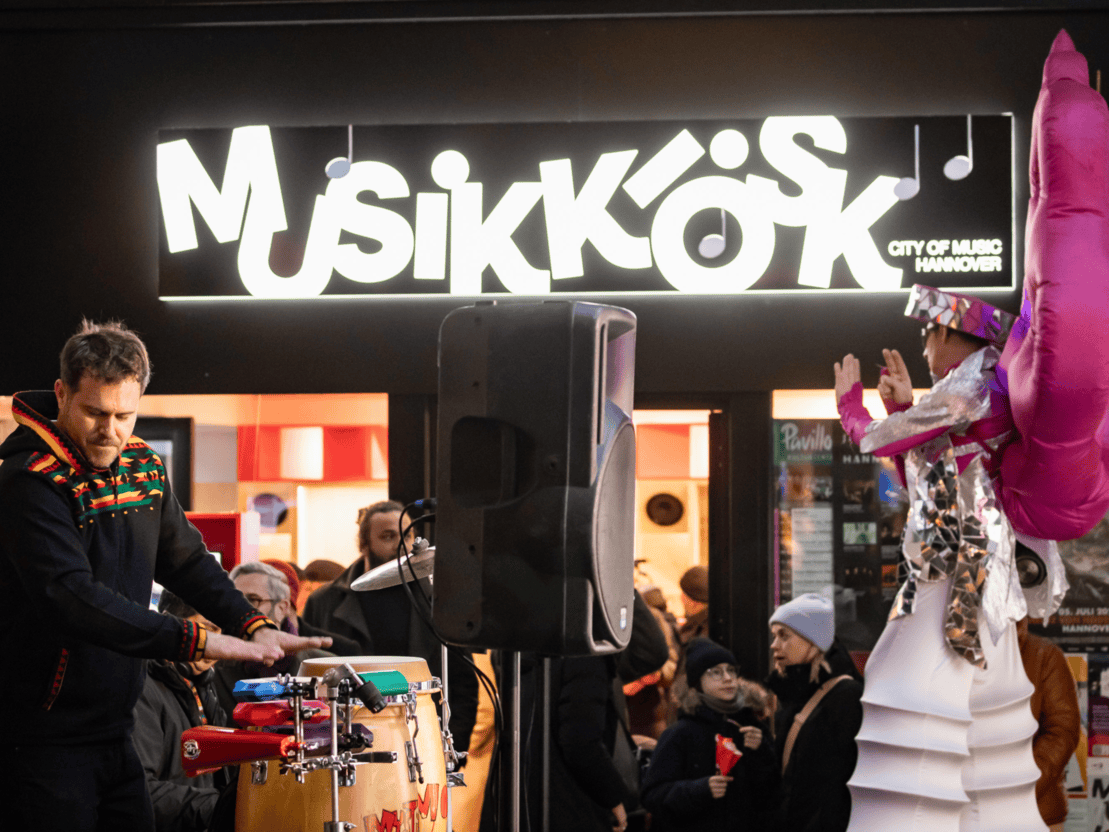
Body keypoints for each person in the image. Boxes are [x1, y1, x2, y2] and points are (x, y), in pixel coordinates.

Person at [0, 320, 330, 831]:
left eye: (124, 415)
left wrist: (251, 625)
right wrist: (198, 640)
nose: (110, 430)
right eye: (95, 412)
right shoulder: (29, 480)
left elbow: (186, 560)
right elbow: (73, 598)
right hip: (41, 739)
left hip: (115, 729)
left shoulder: (143, 464)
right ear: (62, 394)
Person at [834, 287, 1057, 832]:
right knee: (986, 714)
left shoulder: (971, 388)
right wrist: (904, 407)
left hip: (958, 565)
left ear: (949, 335)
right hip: (974, 562)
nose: (924, 347)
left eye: (927, 334)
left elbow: (882, 442)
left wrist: (852, 409)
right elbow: (930, 470)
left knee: (907, 691)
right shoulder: (978, 386)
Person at [302, 499, 478, 757]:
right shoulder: (324, 602)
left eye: (407, 536)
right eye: (388, 536)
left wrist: (452, 747)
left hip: (421, 738)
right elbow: (309, 679)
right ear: (364, 544)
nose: (401, 544)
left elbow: (462, 682)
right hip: (348, 743)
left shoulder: (438, 601)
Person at [641, 638, 776, 831]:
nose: (728, 678)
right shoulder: (680, 733)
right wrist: (699, 789)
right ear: (697, 683)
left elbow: (772, 793)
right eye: (716, 672)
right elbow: (652, 796)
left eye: (731, 670)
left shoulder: (752, 727)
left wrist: (760, 752)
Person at [132, 591, 234, 832]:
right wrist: (222, 808)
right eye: (209, 629)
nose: (218, 643)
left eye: (222, 632)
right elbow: (139, 791)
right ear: (171, 622)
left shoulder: (202, 682)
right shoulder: (141, 687)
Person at [212, 561, 361, 717]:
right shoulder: (214, 668)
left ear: (282, 608)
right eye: (235, 603)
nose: (240, 612)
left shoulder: (326, 666)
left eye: (252, 600)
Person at [766, 594, 862, 832]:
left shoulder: (845, 697)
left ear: (814, 642)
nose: (774, 645)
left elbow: (837, 786)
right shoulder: (793, 691)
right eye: (774, 636)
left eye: (784, 636)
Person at [1016, 617, 1081, 832]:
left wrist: (1021, 786)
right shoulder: (949, 656)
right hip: (964, 809)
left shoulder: (1043, 655)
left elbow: (1062, 730)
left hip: (1036, 811)